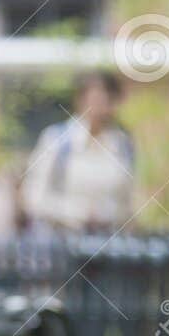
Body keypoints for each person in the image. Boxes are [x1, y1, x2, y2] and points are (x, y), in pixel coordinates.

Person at [20, 71, 135, 234]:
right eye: (94, 99)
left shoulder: (122, 144)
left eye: (107, 99)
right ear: (80, 100)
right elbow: (32, 196)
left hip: (110, 239)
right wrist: (74, 213)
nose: (100, 106)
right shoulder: (57, 139)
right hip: (62, 238)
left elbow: (128, 202)